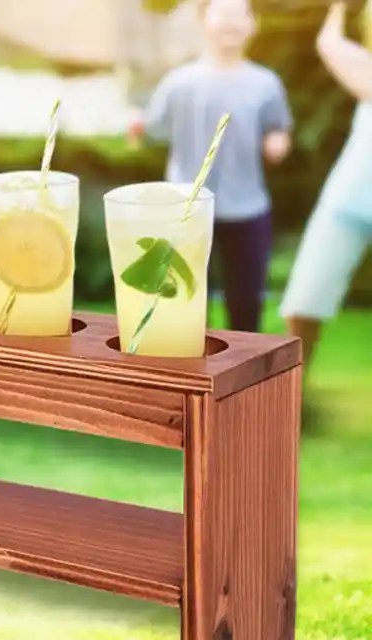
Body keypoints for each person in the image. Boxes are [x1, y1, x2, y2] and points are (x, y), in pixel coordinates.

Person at [128, 0, 292, 334]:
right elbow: (151, 128)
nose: (231, 23)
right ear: (203, 21)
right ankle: (194, 379)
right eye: (223, 14)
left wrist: (278, 142)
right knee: (188, 305)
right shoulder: (179, 82)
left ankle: (243, 383)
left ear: (253, 24)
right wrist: (136, 126)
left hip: (247, 210)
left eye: (240, 14)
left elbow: (280, 128)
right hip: (187, 210)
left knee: (246, 308)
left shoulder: (266, 83)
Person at [280, 1, 372, 380]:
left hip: (346, 200)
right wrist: (339, 6)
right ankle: (291, 397)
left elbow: (334, 50)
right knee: (304, 301)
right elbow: (329, 41)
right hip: (348, 200)